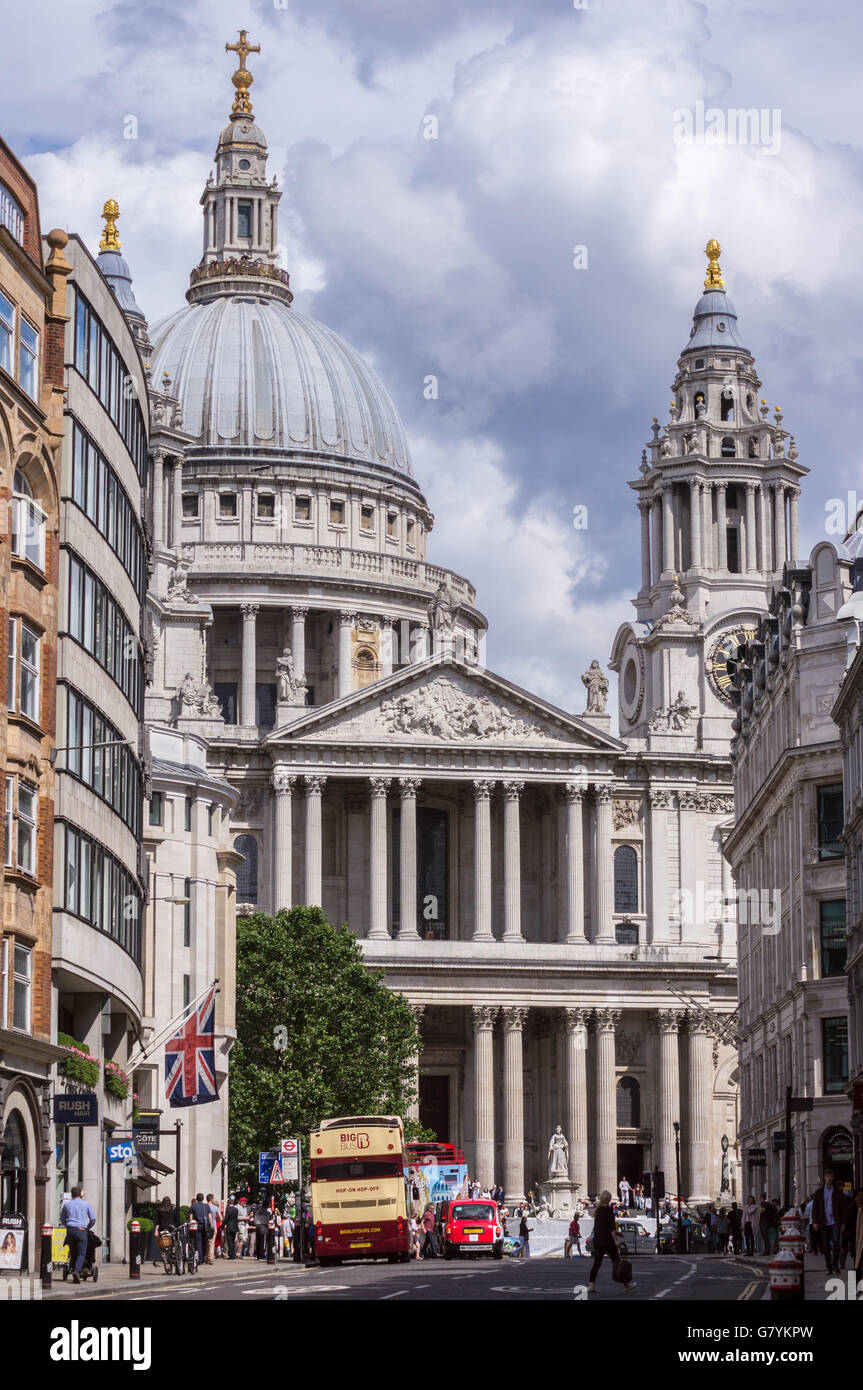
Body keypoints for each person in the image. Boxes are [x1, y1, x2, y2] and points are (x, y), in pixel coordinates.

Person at [588, 1190, 635, 1293]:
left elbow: (602, 1226)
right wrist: (616, 1240)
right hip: (608, 1241)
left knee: (597, 1263)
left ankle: (591, 1284)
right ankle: (627, 1284)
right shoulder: (610, 1210)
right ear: (609, 1199)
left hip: (598, 1240)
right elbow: (611, 1226)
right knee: (617, 1262)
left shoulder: (598, 1210)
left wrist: (617, 1233)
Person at [811, 1168, 850, 1275]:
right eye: (827, 1176)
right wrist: (815, 1222)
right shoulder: (819, 1192)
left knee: (836, 1243)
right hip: (823, 1223)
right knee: (825, 1246)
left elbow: (843, 1209)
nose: (829, 1178)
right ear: (824, 1178)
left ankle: (835, 1265)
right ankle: (829, 1266)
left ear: (833, 1178)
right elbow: (815, 1209)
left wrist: (843, 1223)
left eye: (831, 1176)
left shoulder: (838, 1192)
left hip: (835, 1222)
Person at [60, 1186, 97, 1284]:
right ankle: (76, 1272)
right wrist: (87, 1227)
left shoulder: (67, 1205)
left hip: (71, 1230)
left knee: (73, 1252)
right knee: (81, 1253)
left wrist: (68, 1226)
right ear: (80, 1194)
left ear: (72, 1195)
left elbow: (62, 1219)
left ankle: (74, 1270)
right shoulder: (86, 1204)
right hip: (81, 1230)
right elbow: (93, 1219)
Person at [841, 1187, 863, 1280]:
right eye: (858, 1196)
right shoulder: (850, 1210)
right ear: (854, 1197)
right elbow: (845, 1228)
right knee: (857, 1263)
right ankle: (857, 1285)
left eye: (862, 1196)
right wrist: (844, 1245)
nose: (860, 1198)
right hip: (855, 1241)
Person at [190, 1193, 213, 1263]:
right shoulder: (207, 1206)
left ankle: (200, 1259)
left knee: (198, 1242)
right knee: (205, 1242)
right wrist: (211, 1226)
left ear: (197, 1199)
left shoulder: (193, 1206)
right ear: (203, 1199)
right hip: (205, 1226)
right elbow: (210, 1217)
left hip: (197, 1226)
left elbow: (191, 1218)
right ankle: (203, 1258)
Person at [222, 1195, 239, 1259]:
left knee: (229, 1241)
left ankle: (231, 1255)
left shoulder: (228, 1209)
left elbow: (226, 1218)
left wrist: (222, 1225)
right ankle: (233, 1254)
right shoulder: (236, 1209)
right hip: (234, 1226)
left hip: (229, 1226)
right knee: (233, 1241)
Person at [205, 1193, 219, 1263]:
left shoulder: (204, 1207)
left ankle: (206, 1257)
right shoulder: (215, 1208)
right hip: (213, 1226)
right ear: (212, 1199)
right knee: (212, 1243)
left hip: (205, 1227)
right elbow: (221, 1217)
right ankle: (211, 1259)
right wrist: (215, 1218)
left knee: (206, 1243)